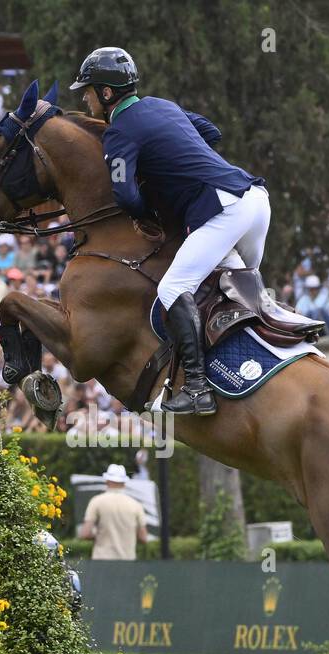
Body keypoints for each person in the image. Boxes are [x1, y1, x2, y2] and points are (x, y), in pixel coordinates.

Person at [73, 46, 267, 416]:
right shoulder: (162, 105)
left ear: (107, 93)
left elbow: (125, 194)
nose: (84, 97)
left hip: (222, 209)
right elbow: (212, 132)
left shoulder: (119, 131)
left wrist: (146, 210)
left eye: (88, 89)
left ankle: (196, 389)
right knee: (239, 287)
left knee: (173, 288)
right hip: (255, 200)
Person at [80, 464, 149, 560]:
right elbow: (143, 537)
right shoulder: (136, 505)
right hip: (127, 561)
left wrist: (97, 534)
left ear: (107, 481)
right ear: (124, 483)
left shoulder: (96, 501)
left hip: (102, 561)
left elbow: (85, 533)